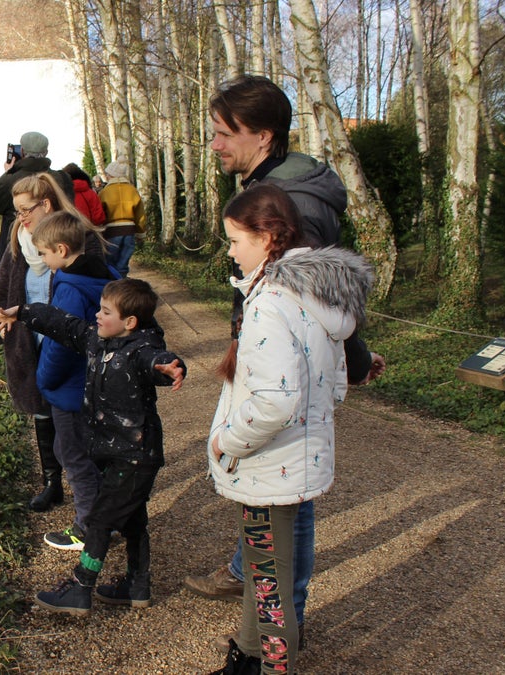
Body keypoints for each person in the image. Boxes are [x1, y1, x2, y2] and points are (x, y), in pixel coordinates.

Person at [184, 75, 387, 641]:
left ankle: (281, 625)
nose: (216, 144)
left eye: (225, 133)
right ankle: (249, 574)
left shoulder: (290, 201)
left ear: (263, 135)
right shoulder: (273, 184)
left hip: (283, 369)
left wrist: (353, 357)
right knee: (274, 483)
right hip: (270, 351)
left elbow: (325, 295)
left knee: (287, 488)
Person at [206, 183, 373, 673]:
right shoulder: (318, 296)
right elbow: (337, 382)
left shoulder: (269, 302)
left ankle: (269, 666)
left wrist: (227, 443)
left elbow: (275, 401)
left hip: (267, 467)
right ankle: (247, 658)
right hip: (297, 460)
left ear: (266, 236)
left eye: (235, 240)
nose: (231, 253)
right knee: (270, 577)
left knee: (269, 587)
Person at [0, 277, 185, 616]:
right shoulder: (98, 341)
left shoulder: (139, 350)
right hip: (114, 450)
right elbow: (63, 325)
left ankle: (81, 588)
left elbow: (155, 360)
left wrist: (166, 367)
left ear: (130, 322)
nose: (97, 315)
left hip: (136, 455)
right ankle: (138, 585)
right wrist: (23, 312)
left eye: (106, 311)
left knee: (100, 519)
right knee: (134, 519)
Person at [0, 173, 105, 514]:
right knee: (40, 410)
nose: (20, 217)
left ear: (46, 204)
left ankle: (90, 492)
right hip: (28, 339)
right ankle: (52, 484)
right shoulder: (20, 240)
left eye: (25, 210)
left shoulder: (79, 237)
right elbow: (3, 285)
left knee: (74, 416)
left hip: (69, 342)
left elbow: (98, 290)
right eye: (17, 211)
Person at [21, 211, 115, 552]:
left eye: (44, 254)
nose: (43, 261)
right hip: (90, 385)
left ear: (61, 250)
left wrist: (44, 380)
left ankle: (88, 528)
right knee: (72, 450)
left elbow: (61, 343)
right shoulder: (100, 273)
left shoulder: (70, 289)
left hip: (70, 389)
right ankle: (106, 515)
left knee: (74, 456)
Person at [0, 131, 75, 265]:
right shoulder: (62, 178)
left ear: (23, 151)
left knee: (14, 281)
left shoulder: (11, 178)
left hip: (14, 243)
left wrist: (8, 173)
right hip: (55, 243)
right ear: (46, 152)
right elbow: (69, 205)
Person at [97, 161, 147, 277]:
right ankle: (122, 286)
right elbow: (140, 214)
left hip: (111, 232)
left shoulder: (105, 192)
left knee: (110, 263)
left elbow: (100, 214)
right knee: (123, 265)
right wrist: (140, 233)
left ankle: (111, 288)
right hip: (129, 231)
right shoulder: (132, 190)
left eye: (108, 174)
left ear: (111, 175)